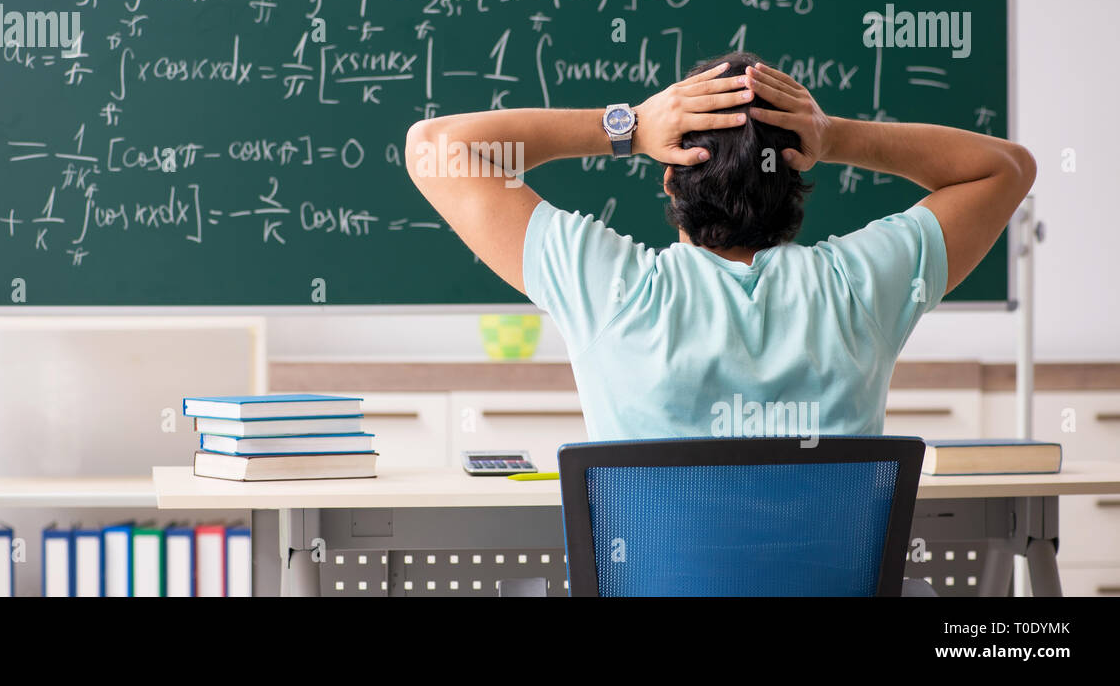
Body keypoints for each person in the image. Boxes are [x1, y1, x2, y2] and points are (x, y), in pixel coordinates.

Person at [404, 51, 1036, 441]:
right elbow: (1006, 168)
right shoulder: (863, 289)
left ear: (669, 174)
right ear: (799, 175)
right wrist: (834, 134)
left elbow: (432, 148)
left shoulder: (610, 293)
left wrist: (624, 127)